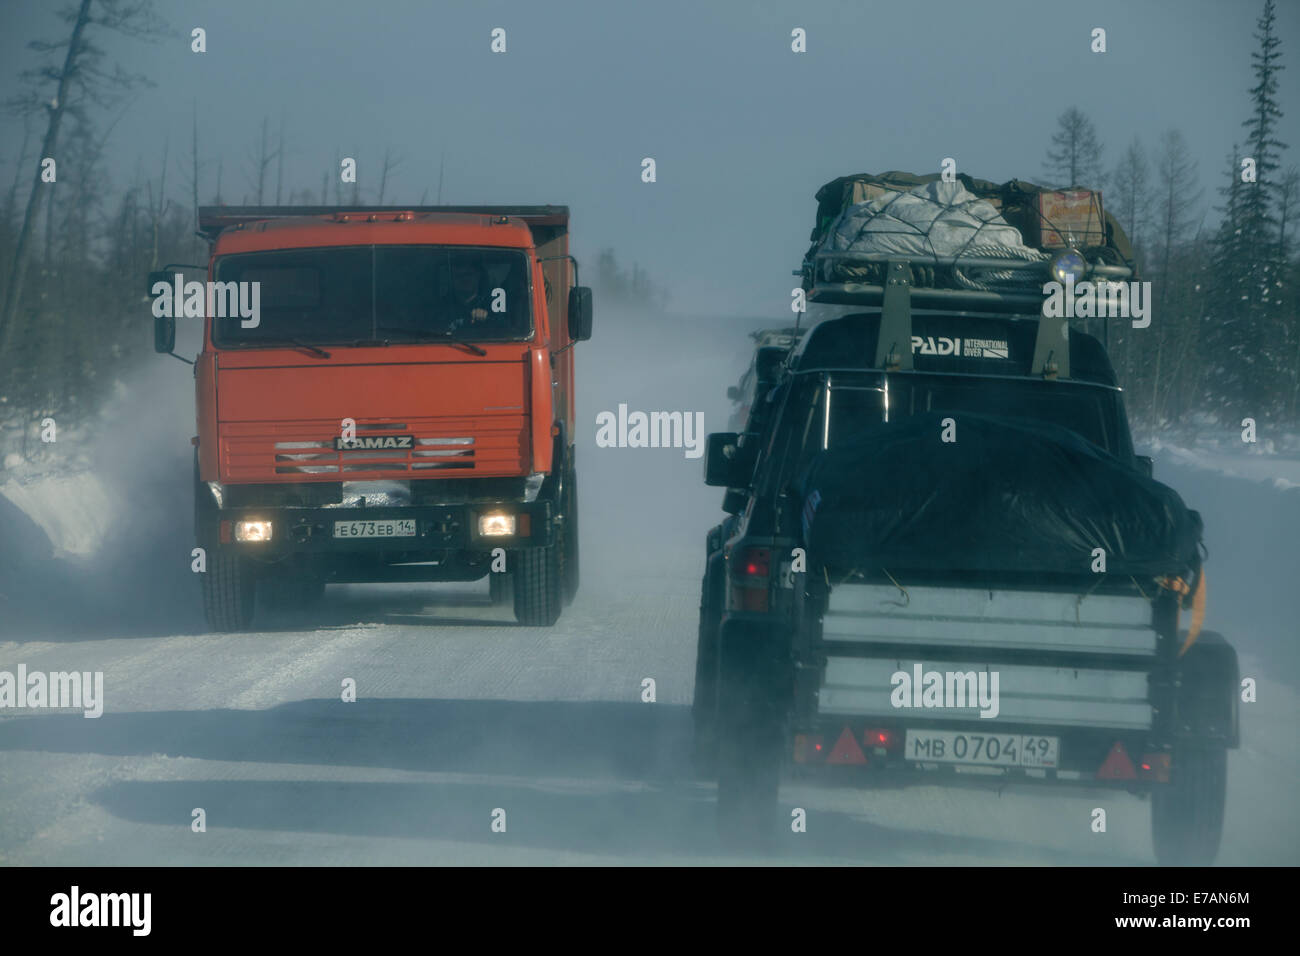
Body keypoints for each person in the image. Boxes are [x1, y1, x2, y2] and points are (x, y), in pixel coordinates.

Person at [444, 257, 492, 333]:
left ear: (478, 276)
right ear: (451, 279)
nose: (464, 279)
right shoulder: (441, 307)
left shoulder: (491, 305)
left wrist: (487, 320)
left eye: (468, 274)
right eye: (458, 276)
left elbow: (506, 333)